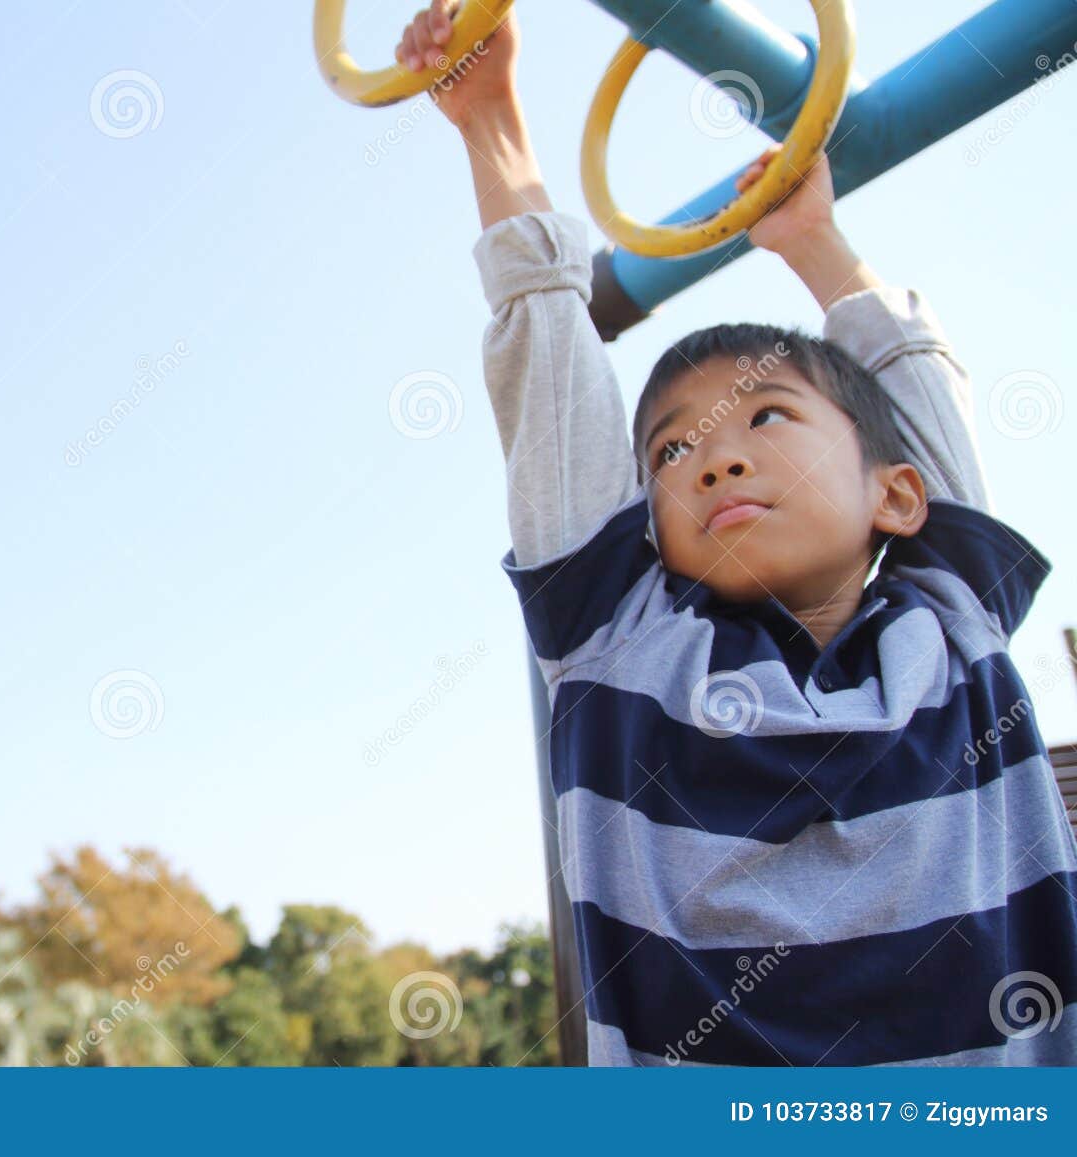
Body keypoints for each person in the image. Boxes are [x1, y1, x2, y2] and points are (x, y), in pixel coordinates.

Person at [398, 1, 1077, 1064]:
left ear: (898, 497)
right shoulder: (617, 636)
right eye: (670, 452)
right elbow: (547, 361)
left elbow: (915, 395)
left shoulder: (948, 621)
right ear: (644, 526)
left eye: (767, 417)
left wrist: (816, 242)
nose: (713, 455)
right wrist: (491, 121)